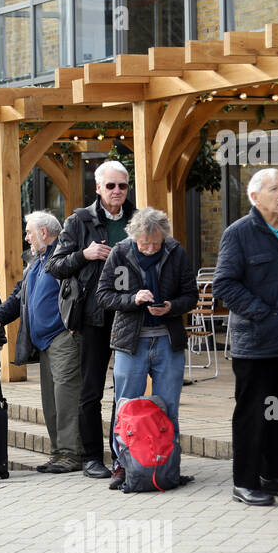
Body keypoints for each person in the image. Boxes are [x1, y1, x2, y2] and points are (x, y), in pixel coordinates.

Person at [213, 167, 278, 506]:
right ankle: (244, 482)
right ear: (255, 197)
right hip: (256, 345)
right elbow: (225, 285)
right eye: (274, 188)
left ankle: (275, 475)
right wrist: (263, 313)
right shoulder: (239, 233)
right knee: (253, 414)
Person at [95, 207, 198, 488]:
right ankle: (122, 466)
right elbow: (104, 295)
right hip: (131, 342)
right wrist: (133, 299)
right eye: (145, 244)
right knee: (126, 405)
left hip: (168, 339)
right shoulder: (120, 253)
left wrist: (171, 307)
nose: (151, 248)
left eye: (156, 243)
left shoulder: (175, 251)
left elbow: (191, 295)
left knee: (169, 407)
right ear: (134, 238)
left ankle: (168, 467)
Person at [47, 160, 137, 478]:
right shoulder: (79, 220)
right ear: (97, 187)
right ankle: (90, 457)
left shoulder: (137, 219)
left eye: (122, 185)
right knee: (91, 390)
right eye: (110, 185)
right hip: (93, 316)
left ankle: (122, 455)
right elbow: (54, 266)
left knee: (126, 389)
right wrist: (84, 255)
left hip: (130, 314)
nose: (116, 191)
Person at [0, 210, 83, 475]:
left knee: (65, 398)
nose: (26, 237)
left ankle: (71, 453)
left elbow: (82, 290)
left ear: (43, 232)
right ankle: (58, 453)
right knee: (50, 400)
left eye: (29, 232)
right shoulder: (35, 264)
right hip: (43, 343)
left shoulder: (63, 258)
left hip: (62, 338)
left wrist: (75, 324)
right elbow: (17, 298)